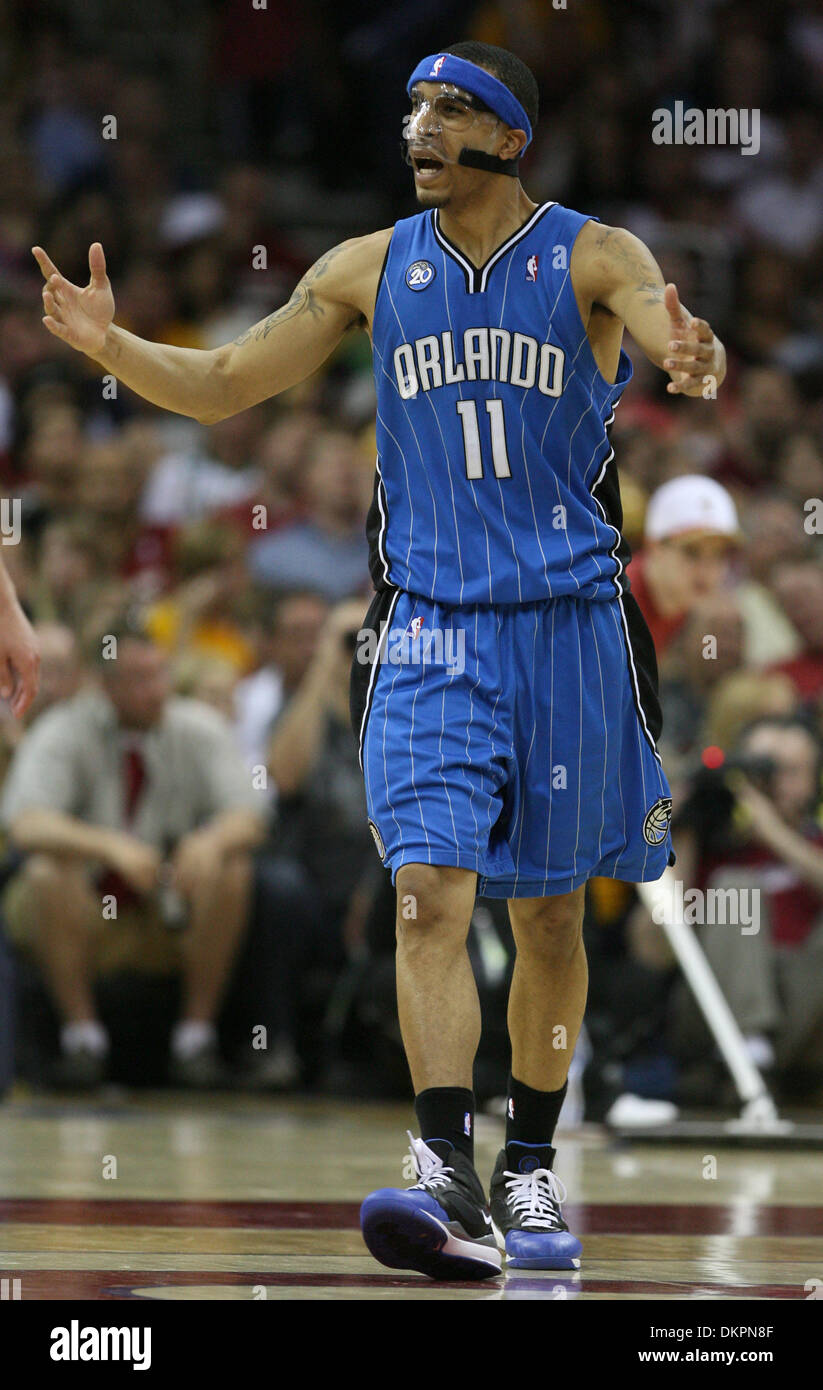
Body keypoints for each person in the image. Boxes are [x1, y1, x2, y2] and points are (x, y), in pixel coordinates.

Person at [32, 40, 726, 1278]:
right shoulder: (364, 268)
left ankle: (529, 1171)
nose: (420, 126)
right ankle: (443, 1164)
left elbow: (665, 325)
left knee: (552, 914)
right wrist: (112, 349)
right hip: (427, 625)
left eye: (452, 108)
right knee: (431, 892)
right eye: (412, 105)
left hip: (568, 623)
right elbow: (228, 382)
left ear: (509, 139)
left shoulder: (592, 255)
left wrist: (691, 355)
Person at [0, 614, 265, 1088]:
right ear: (104, 686)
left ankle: (195, 1039)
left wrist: (211, 840)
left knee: (234, 869)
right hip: (86, 904)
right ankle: (83, 1040)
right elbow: (24, 820)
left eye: (161, 673)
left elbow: (250, 813)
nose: (158, 689)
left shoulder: (196, 727)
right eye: (140, 680)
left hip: (169, 903)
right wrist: (108, 846)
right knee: (43, 873)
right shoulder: (66, 729)